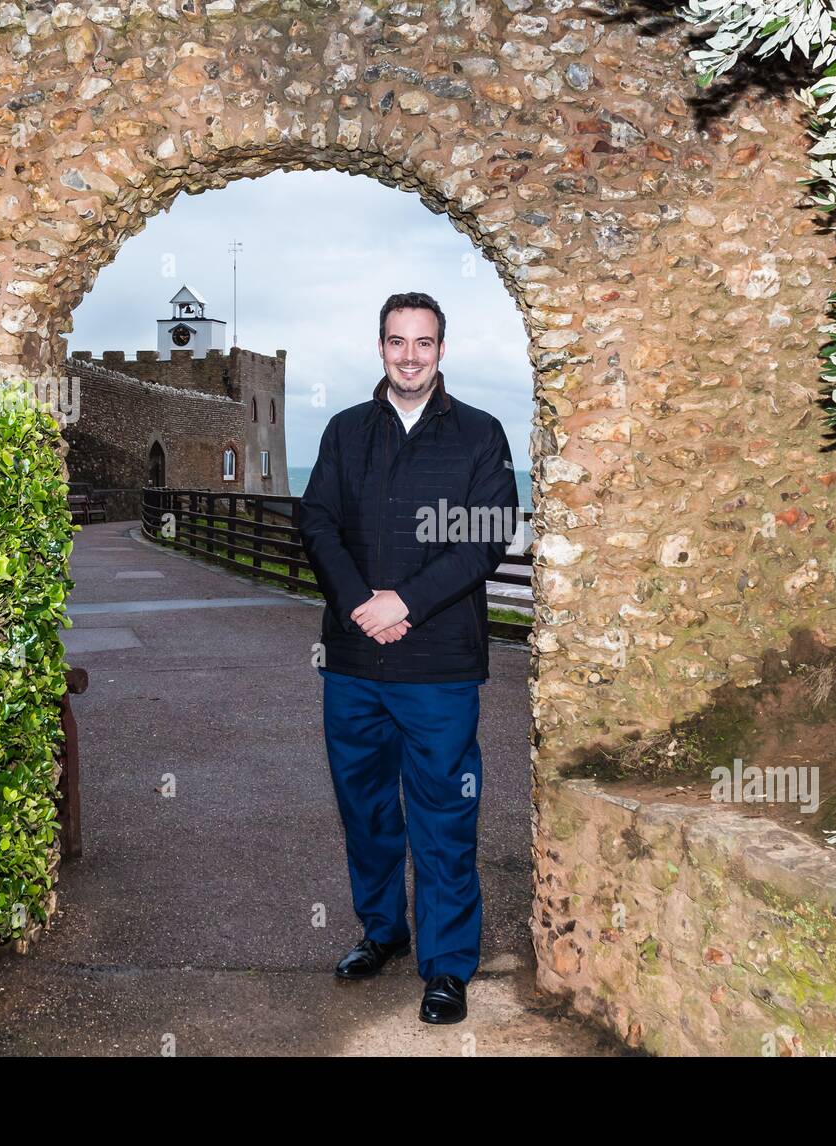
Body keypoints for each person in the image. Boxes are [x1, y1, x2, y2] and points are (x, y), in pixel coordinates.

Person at [298, 291, 518, 1024]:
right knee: (364, 810)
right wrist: (364, 599)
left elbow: (486, 539)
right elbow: (317, 520)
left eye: (424, 343)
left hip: (440, 668)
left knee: (444, 817)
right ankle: (382, 933)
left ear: (442, 350)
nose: (410, 356)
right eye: (398, 342)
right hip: (355, 662)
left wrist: (406, 604)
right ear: (381, 347)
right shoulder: (344, 431)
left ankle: (448, 966)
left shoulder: (481, 436)